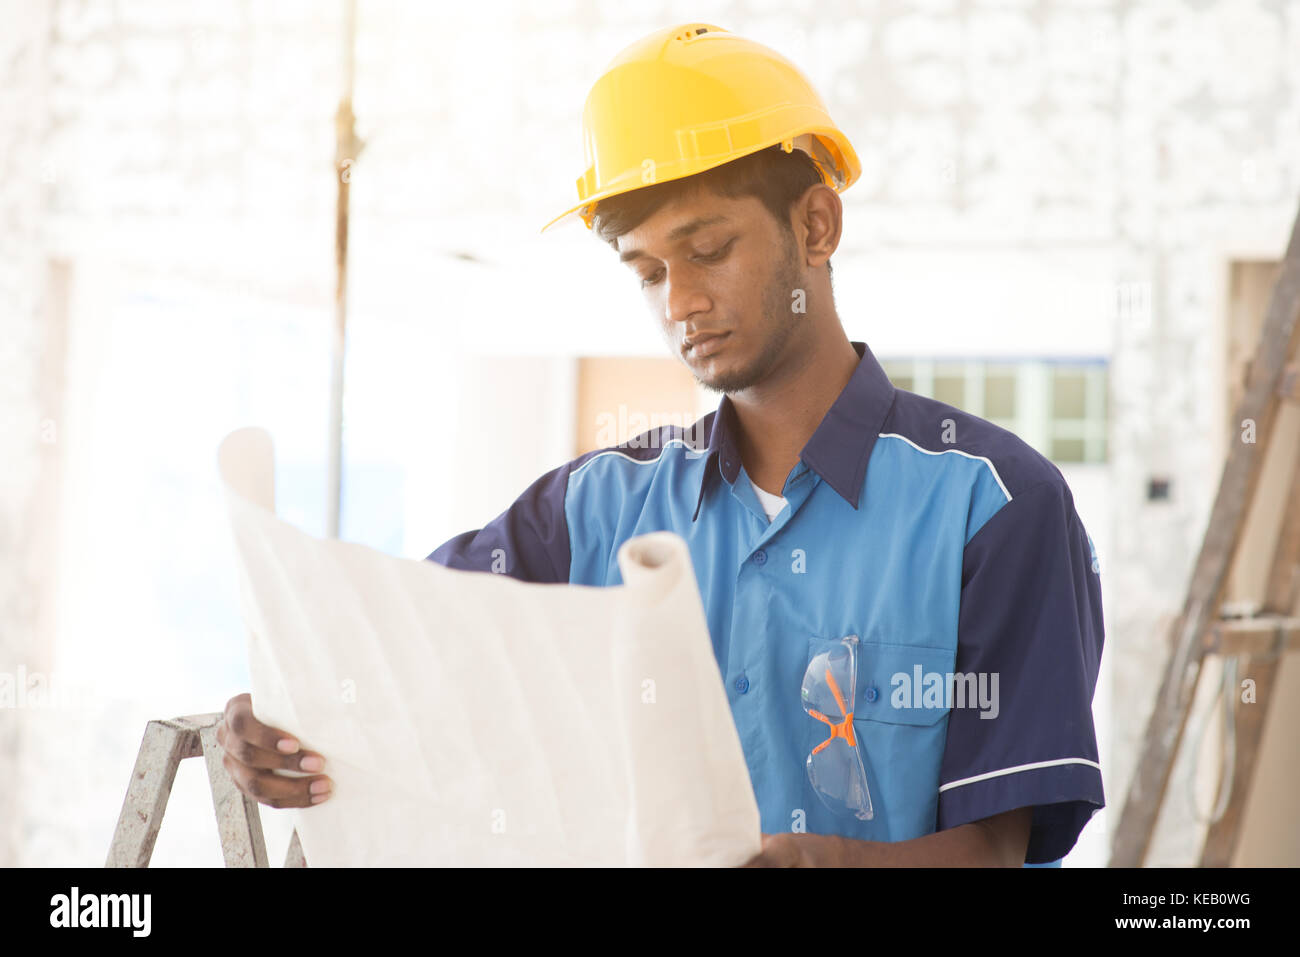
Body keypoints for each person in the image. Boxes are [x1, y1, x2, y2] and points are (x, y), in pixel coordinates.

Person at [219, 22, 1105, 867]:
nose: (678, 301)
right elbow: (391, 645)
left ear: (817, 226)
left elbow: (994, 847)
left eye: (708, 249)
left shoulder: (993, 506)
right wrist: (280, 715)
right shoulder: (590, 510)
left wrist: (827, 859)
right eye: (647, 272)